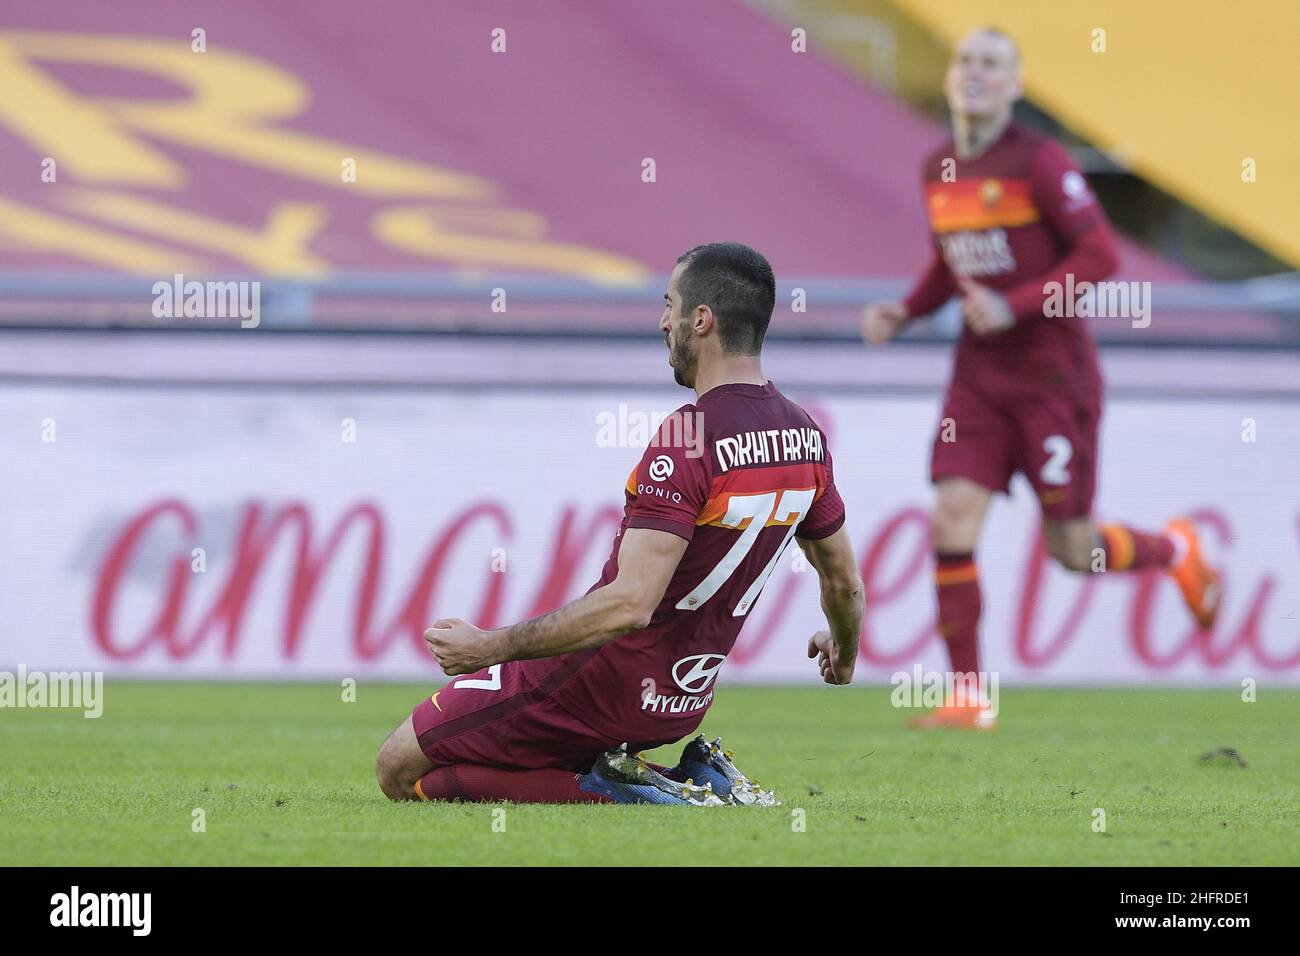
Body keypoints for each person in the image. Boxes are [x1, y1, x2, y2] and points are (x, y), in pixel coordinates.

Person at [377, 242, 865, 803]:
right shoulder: (805, 436)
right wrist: (844, 653)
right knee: (443, 779)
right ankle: (678, 778)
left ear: (701, 320)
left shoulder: (689, 438)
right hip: (678, 703)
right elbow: (844, 582)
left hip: (590, 686)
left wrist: (490, 646)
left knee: (398, 771)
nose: (663, 321)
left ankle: (638, 790)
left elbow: (631, 602)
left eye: (670, 304)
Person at [861, 28, 1220, 729]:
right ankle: (969, 694)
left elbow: (1101, 254)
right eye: (966, 61)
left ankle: (1177, 549)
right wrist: (906, 310)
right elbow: (951, 263)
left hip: (1054, 378)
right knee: (951, 517)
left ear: (1015, 86)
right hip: (978, 380)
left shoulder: (1042, 161)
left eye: (992, 65)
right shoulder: (938, 168)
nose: (975, 73)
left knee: (1072, 550)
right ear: (950, 77)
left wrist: (1015, 304)